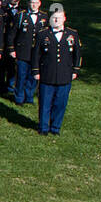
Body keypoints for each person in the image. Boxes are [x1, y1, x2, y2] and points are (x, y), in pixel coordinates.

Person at [34, 8, 82, 136]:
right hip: (47, 74)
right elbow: (36, 55)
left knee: (60, 103)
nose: (56, 20)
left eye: (59, 18)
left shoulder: (72, 34)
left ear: (64, 19)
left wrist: (75, 70)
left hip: (64, 74)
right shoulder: (42, 34)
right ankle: (43, 127)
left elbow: (77, 54)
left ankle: (55, 127)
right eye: (54, 18)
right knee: (45, 103)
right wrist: (36, 71)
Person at [8, 0, 47, 105]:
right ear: (28, 3)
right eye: (31, 2)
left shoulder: (44, 16)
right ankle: (19, 98)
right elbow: (11, 34)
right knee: (21, 75)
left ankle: (29, 96)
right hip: (22, 51)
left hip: (37, 53)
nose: (33, 5)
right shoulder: (20, 16)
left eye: (36, 2)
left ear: (39, 3)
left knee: (33, 76)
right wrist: (11, 49)